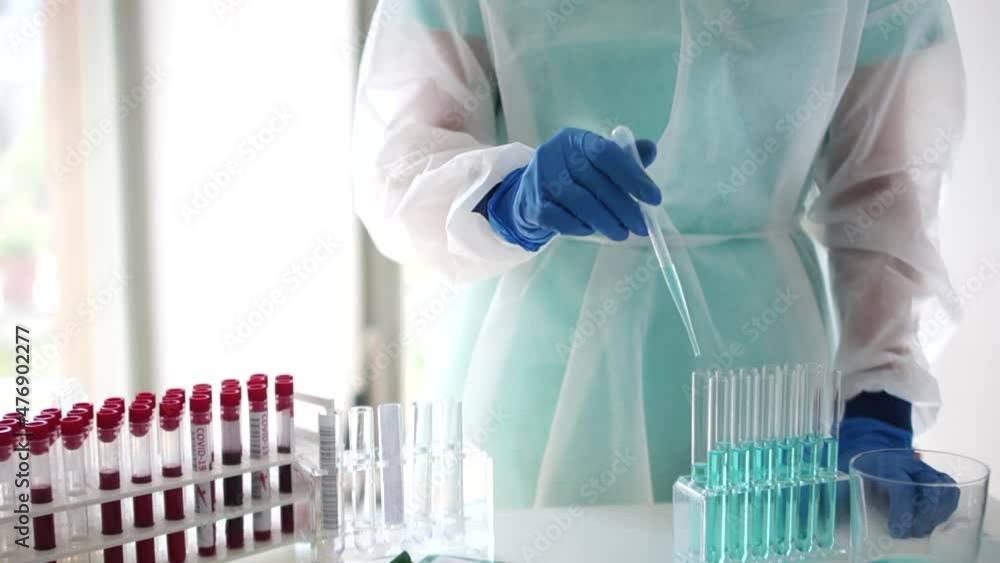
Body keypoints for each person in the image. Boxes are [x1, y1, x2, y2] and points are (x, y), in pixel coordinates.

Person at [353, 0, 964, 534]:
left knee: (758, 536)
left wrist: (879, 402)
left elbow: (884, 198)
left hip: (760, 376)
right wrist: (508, 196)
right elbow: (405, 157)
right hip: (538, 360)